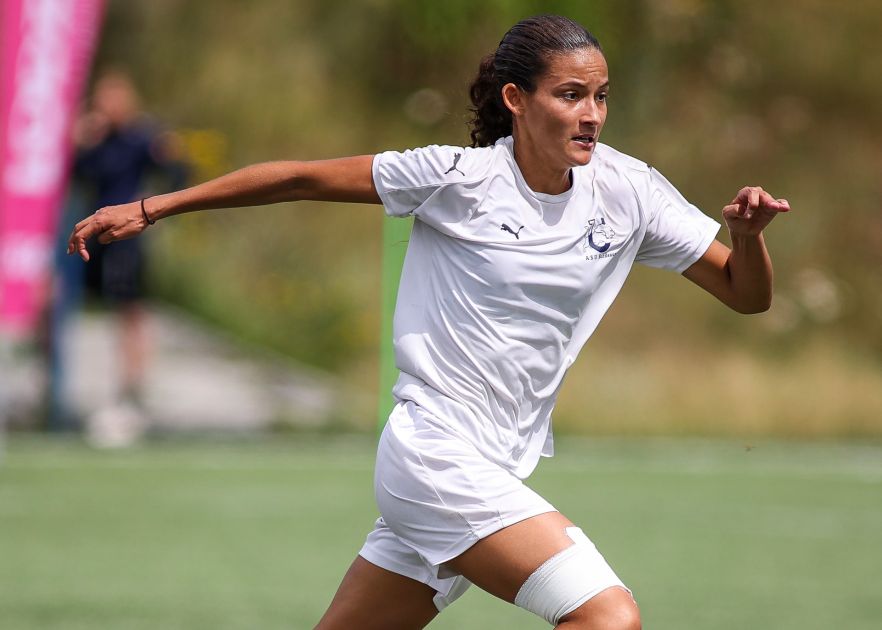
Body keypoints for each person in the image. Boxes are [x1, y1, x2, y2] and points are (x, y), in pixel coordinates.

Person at [67, 15, 789, 630]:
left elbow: (746, 295)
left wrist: (749, 238)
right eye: (570, 95)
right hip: (437, 460)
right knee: (608, 616)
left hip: (497, 462)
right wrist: (152, 207)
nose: (592, 114)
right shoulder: (459, 179)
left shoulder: (630, 191)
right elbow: (297, 178)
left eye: (600, 96)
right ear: (516, 99)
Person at [66, 70, 186, 444]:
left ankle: (131, 394)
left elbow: (177, 172)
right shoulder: (97, 141)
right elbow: (74, 175)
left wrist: (159, 214)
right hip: (92, 236)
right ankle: (57, 394)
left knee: (129, 312)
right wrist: (79, 141)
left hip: (126, 240)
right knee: (68, 303)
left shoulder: (143, 138)